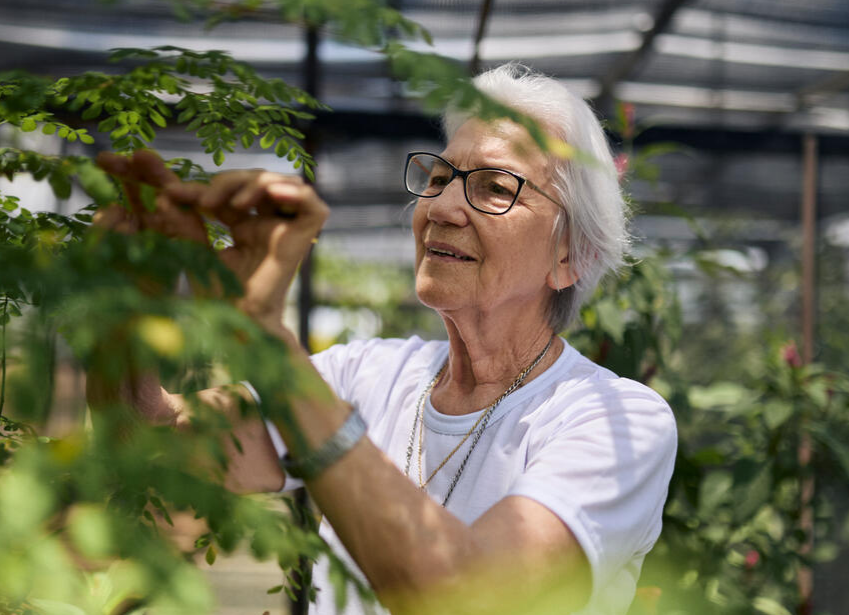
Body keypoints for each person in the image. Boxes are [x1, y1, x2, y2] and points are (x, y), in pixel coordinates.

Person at [89, 63, 677, 615]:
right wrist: (126, 310)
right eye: (440, 176)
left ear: (571, 254)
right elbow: (151, 445)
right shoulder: (366, 375)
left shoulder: (616, 421)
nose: (442, 206)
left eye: (497, 187)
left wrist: (265, 344)